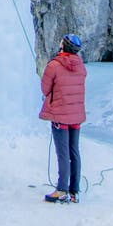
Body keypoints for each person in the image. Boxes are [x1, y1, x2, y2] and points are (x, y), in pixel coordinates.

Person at [39, 33, 87, 203]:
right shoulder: (81, 66)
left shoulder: (54, 66)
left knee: (63, 153)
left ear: (63, 46)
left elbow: (45, 89)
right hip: (76, 116)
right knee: (74, 151)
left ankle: (61, 190)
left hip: (60, 115)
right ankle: (74, 191)